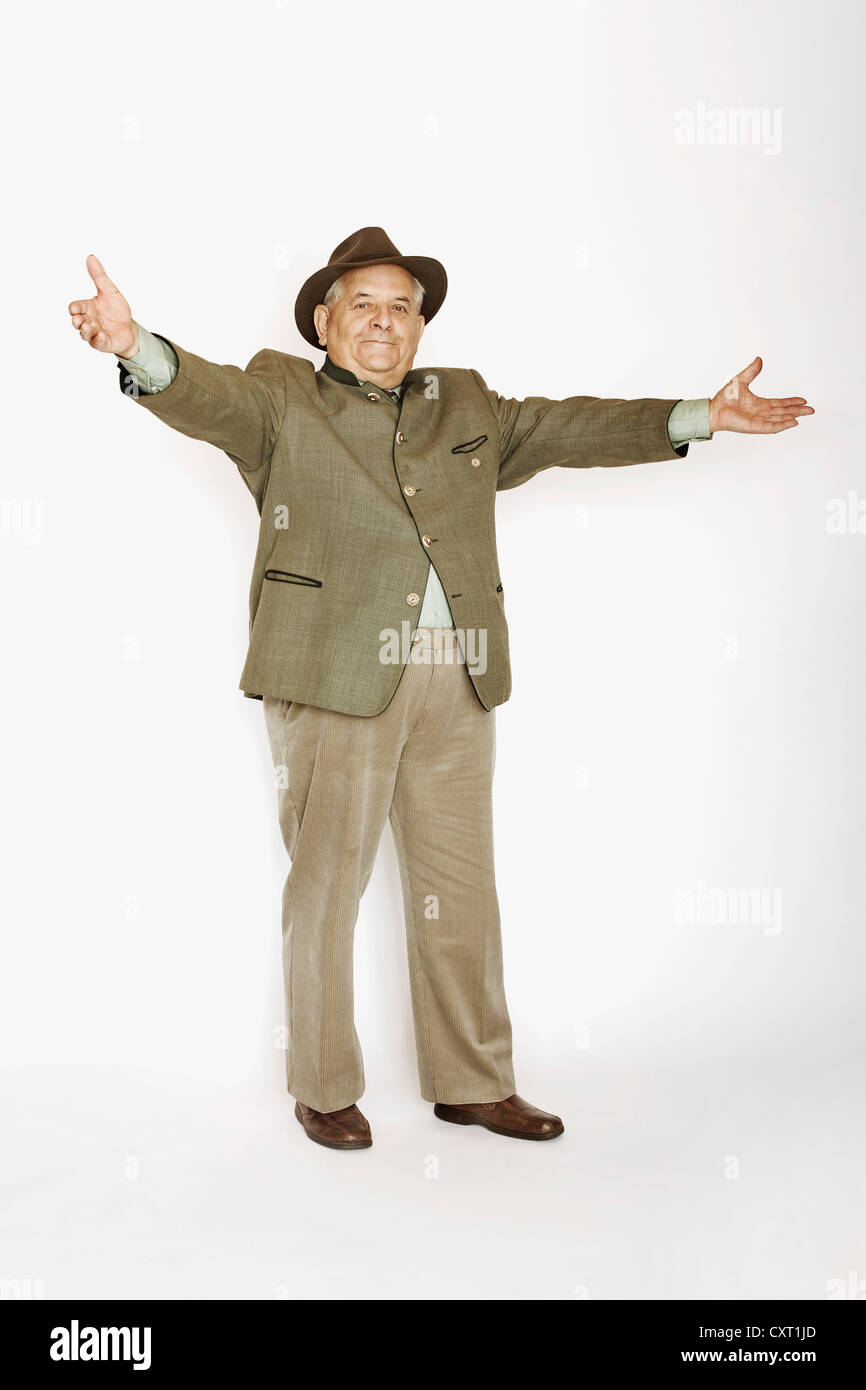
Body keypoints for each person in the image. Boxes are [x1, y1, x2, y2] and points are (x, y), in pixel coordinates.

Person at [68, 227, 814, 1151]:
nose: (384, 320)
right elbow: (206, 394)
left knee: (461, 889)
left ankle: (472, 1083)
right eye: (364, 303)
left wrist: (701, 414)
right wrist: (135, 346)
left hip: (457, 677)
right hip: (333, 676)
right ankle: (324, 1084)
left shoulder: (462, 403)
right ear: (324, 319)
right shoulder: (280, 397)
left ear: (419, 327)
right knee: (327, 886)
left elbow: (568, 425)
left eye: (402, 307)